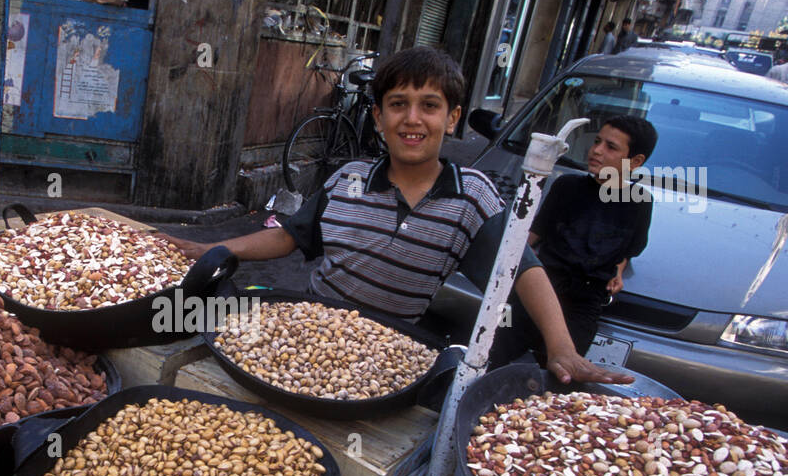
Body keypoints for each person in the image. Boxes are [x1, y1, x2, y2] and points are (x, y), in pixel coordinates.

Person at [162, 46, 631, 387]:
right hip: (305, 328)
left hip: (390, 352)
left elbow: (521, 270)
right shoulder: (347, 176)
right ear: (379, 118)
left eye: (429, 106)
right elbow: (291, 236)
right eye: (397, 105)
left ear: (452, 119)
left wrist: (561, 346)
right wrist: (217, 248)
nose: (412, 119)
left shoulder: (472, 197)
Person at [493, 115, 658, 365]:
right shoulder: (568, 187)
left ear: (635, 161)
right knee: (494, 355)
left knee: (560, 374)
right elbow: (532, 234)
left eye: (610, 147)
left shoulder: (639, 203)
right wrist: (506, 270)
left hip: (585, 304)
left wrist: (618, 271)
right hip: (539, 290)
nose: (596, 150)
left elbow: (627, 249)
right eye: (597, 141)